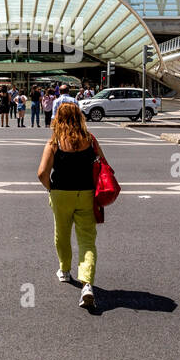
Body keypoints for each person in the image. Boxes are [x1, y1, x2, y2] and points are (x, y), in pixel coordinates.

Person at [37, 102, 107, 309]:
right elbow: (103, 163)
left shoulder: (54, 142)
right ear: (79, 117)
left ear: (58, 118)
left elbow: (42, 173)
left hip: (60, 194)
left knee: (62, 233)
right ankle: (87, 284)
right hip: (86, 193)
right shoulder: (90, 140)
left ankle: (65, 271)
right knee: (87, 240)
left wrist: (51, 188)